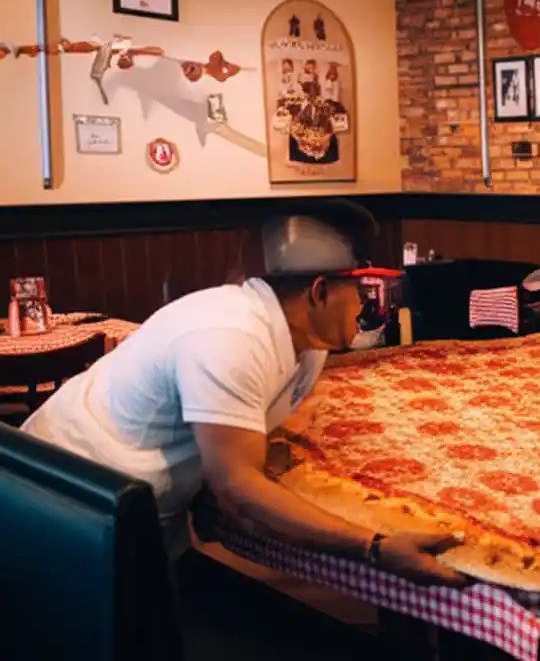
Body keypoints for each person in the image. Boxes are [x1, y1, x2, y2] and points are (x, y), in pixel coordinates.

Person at [21, 201, 466, 587]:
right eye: (361, 291)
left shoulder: (305, 343)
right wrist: (374, 547)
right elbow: (238, 489)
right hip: (64, 498)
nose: (367, 306)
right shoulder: (228, 336)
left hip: (137, 504)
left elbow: (274, 427)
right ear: (320, 291)